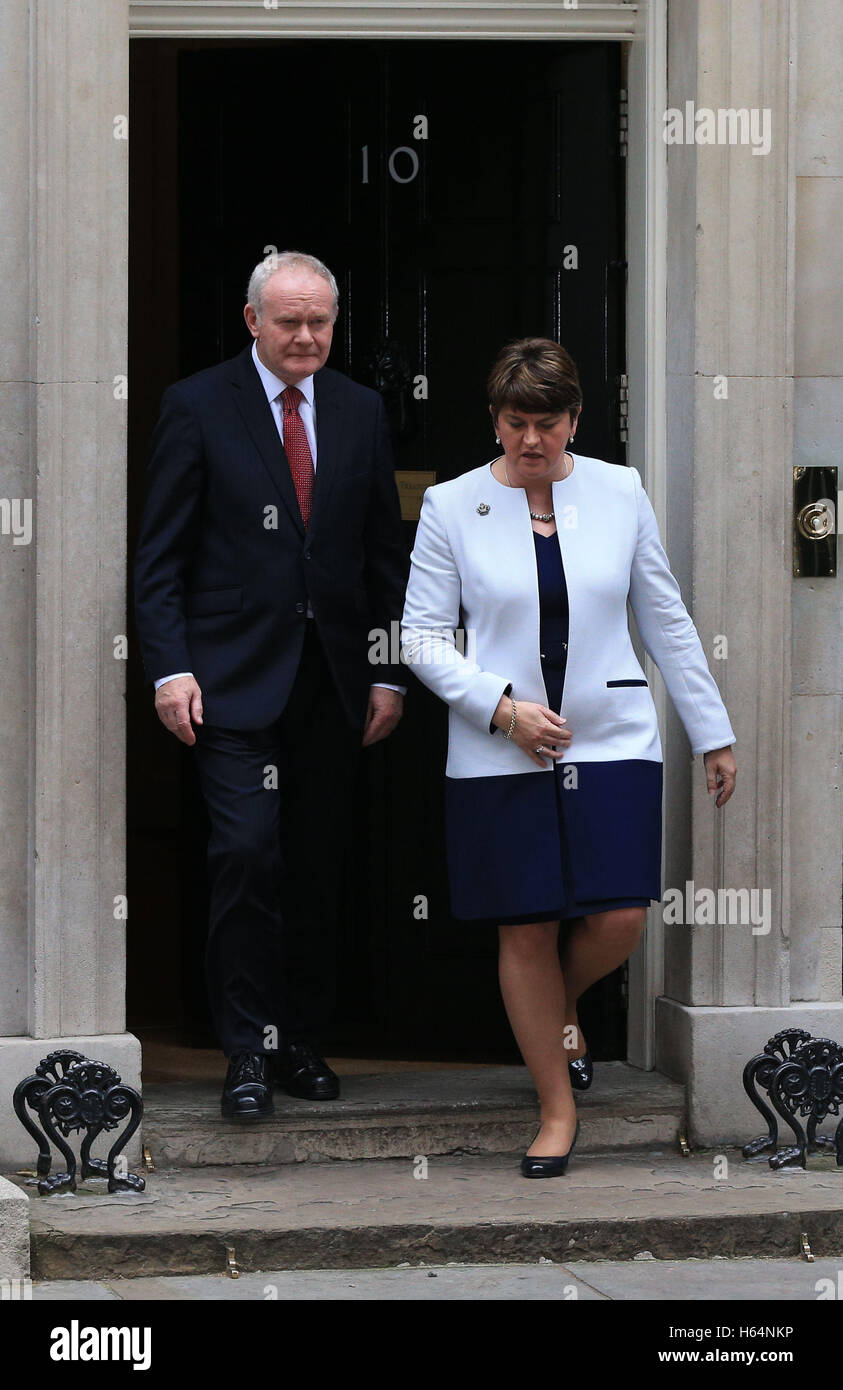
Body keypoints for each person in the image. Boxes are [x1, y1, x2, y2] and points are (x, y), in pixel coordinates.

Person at [400, 338, 736, 1177]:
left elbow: (663, 617)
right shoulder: (451, 506)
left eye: (546, 425)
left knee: (620, 914)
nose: (530, 441)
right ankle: (556, 1107)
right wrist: (499, 709)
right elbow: (421, 638)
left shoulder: (618, 491)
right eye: (515, 424)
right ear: (496, 420)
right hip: (499, 748)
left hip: (614, 735)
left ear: (574, 421)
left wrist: (712, 729)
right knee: (526, 927)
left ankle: (563, 1006)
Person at [134, 250, 408, 1120]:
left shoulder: (360, 410)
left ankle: (299, 1042)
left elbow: (379, 555)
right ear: (253, 320)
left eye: (319, 321)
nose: (305, 337)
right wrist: (170, 667)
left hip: (330, 682)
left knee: (316, 868)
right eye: (288, 321)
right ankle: (245, 1050)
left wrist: (387, 666)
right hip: (229, 684)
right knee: (246, 857)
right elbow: (159, 554)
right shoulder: (198, 404)